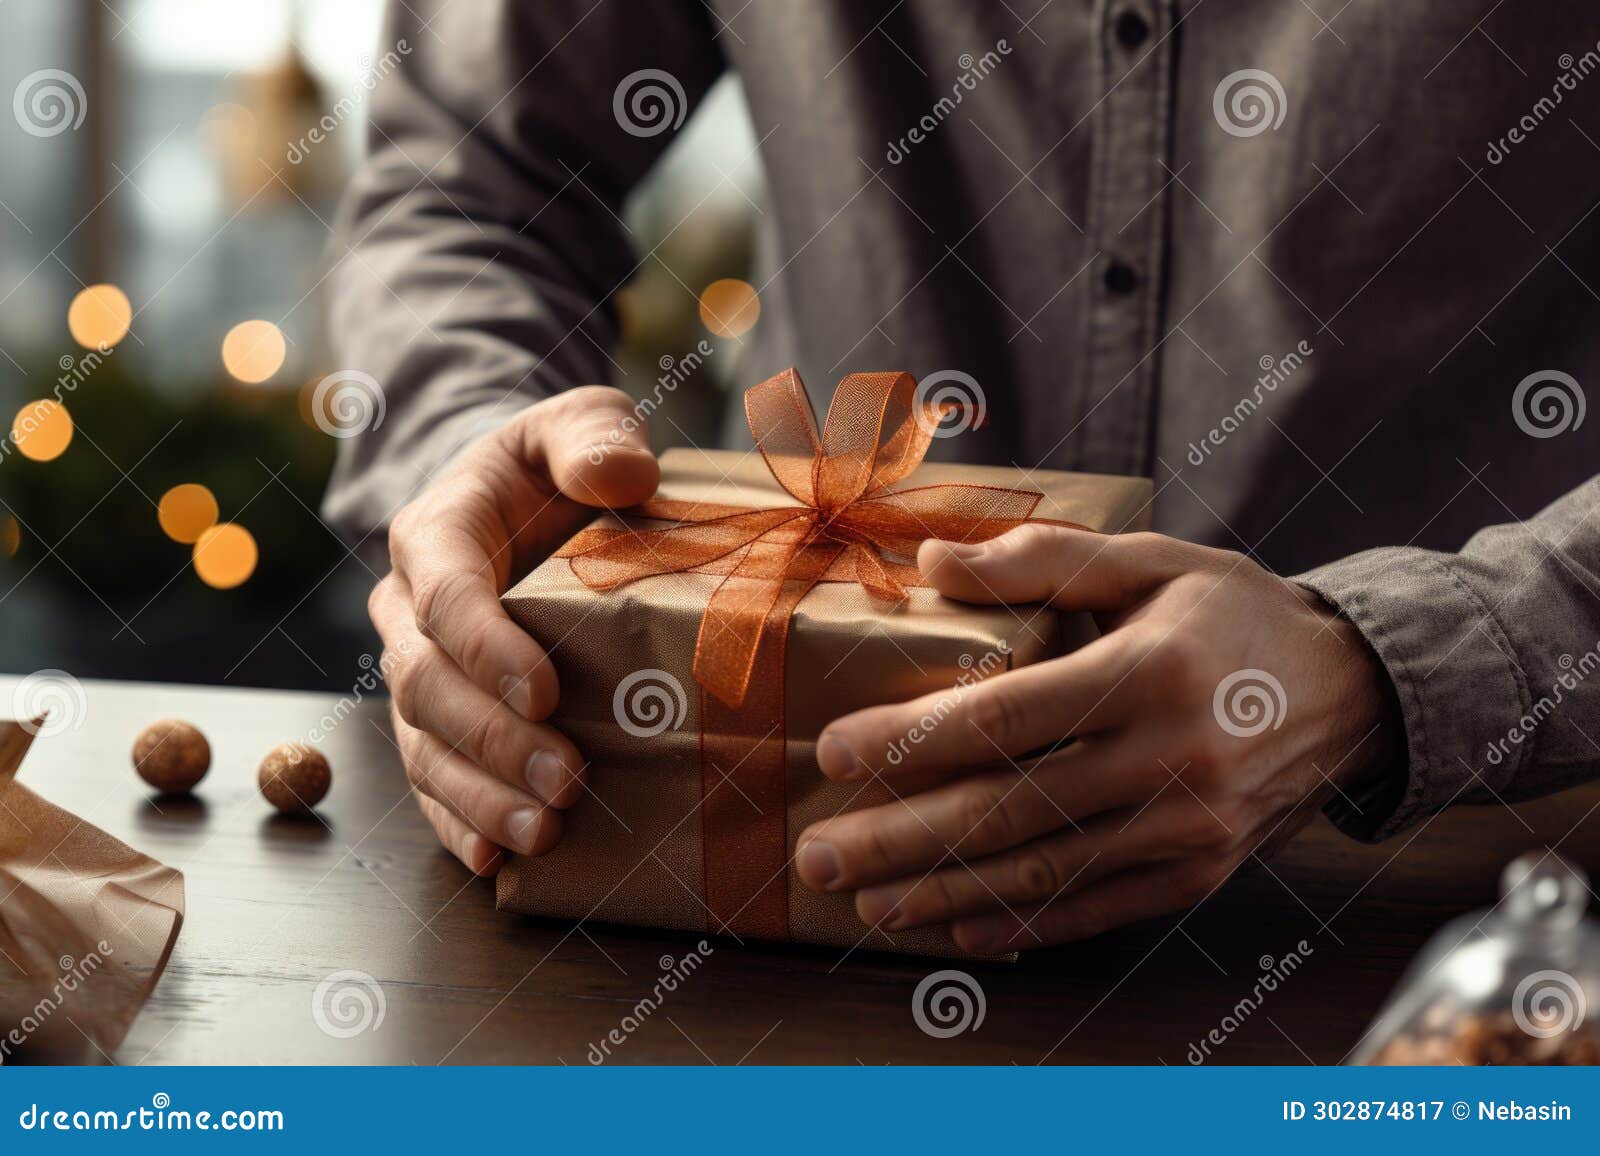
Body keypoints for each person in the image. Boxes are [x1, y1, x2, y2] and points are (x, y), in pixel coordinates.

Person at [328, 1, 1600, 954]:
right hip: (759, 895)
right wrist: (477, 477)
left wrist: (1394, 667)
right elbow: (469, 176)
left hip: (1476, 903)